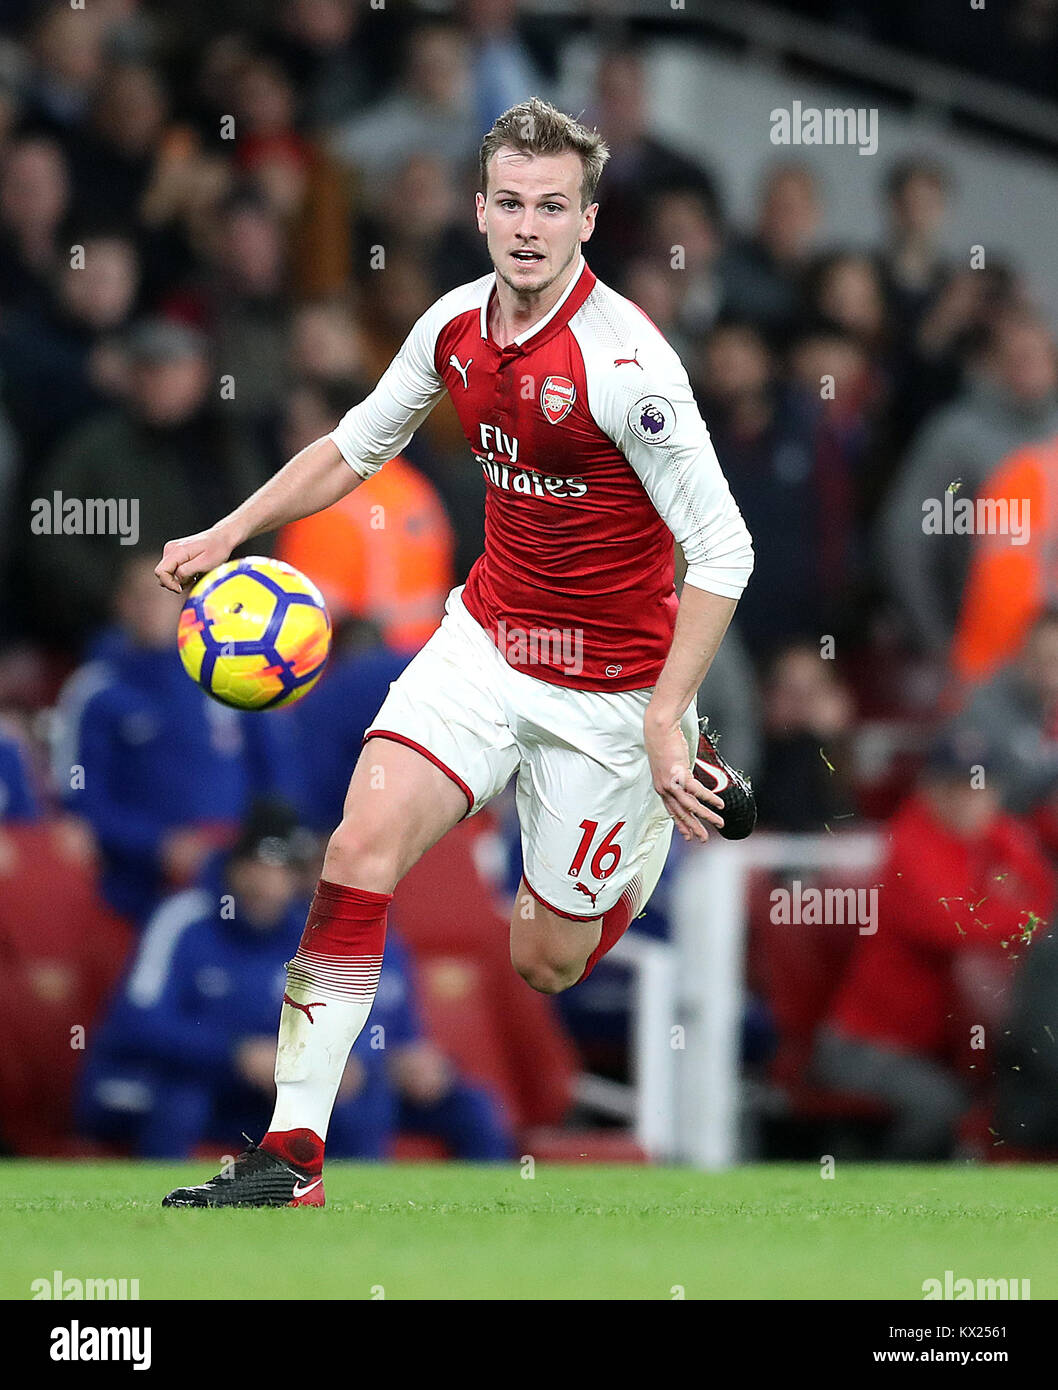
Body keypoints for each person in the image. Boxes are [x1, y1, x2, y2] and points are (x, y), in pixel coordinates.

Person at [154, 97, 755, 1207]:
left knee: (543, 960)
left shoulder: (630, 367)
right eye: (511, 203)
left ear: (585, 219)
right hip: (482, 644)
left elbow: (723, 548)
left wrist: (665, 722)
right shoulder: (450, 328)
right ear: (479, 211)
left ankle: (641, 826)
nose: (528, 225)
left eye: (553, 207)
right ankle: (290, 1156)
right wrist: (231, 530)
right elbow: (353, 445)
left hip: (612, 694)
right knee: (358, 844)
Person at [813, 729, 1056, 1159]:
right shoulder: (911, 843)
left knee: (1013, 1085)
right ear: (931, 790)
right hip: (867, 1045)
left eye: (980, 788)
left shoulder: (999, 836)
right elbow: (953, 925)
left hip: (945, 1048)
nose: (969, 801)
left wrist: (1004, 913)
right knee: (941, 1106)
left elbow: (1046, 904)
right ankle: (887, 1204)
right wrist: (1013, 912)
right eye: (955, 788)